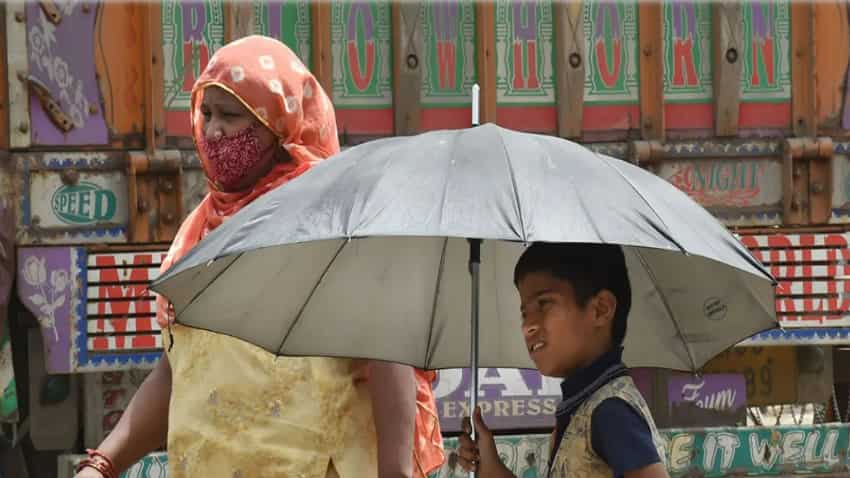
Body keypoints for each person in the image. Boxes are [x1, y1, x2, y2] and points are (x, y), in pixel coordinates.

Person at [74, 35, 443, 478]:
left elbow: (388, 348)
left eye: (230, 116)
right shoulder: (202, 232)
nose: (212, 131)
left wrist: (395, 473)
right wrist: (102, 465)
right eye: (205, 114)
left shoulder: (330, 219)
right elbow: (182, 368)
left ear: (279, 123)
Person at [457, 243, 668, 478]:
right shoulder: (583, 405)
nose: (528, 326)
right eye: (524, 313)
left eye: (543, 304)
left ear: (600, 309)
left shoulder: (611, 412)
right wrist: (491, 467)